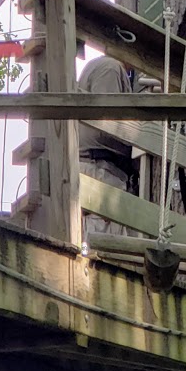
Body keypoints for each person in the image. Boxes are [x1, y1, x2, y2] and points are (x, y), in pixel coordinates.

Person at [77, 54, 137, 235]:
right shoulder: (110, 67)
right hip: (99, 168)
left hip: (100, 167)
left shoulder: (106, 67)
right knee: (105, 245)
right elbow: (107, 123)